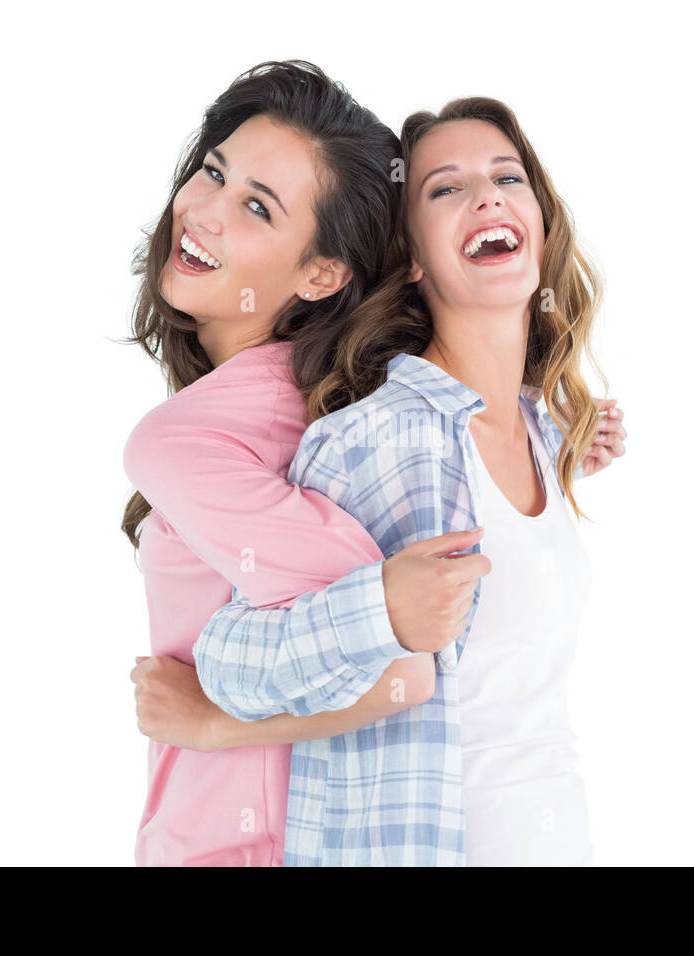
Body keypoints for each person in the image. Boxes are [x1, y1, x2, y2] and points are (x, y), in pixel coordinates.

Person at [175, 96, 624, 866]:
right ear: (412, 257)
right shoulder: (372, 437)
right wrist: (378, 611)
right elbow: (228, 660)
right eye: (446, 188)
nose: (486, 197)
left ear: (540, 224)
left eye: (507, 178)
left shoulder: (537, 428)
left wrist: (574, 436)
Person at [121, 61, 511, 866]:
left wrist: (208, 724)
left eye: (257, 207)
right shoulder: (327, 398)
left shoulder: (183, 438)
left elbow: (403, 670)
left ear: (323, 274)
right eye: (213, 172)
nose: (204, 212)